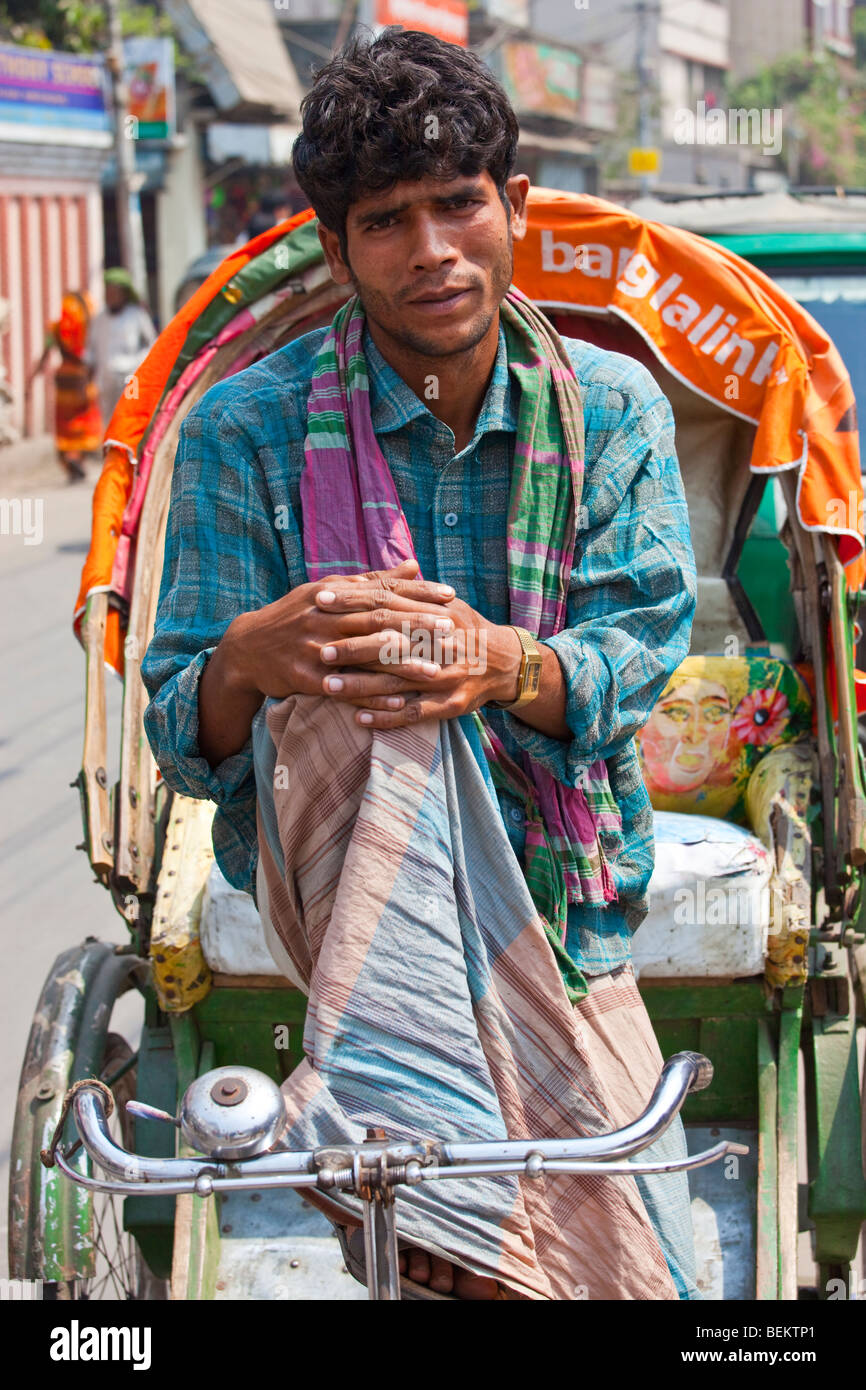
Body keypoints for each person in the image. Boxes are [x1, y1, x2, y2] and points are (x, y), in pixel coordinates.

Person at [142, 29, 698, 1300]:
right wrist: (248, 656)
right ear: (336, 251)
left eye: (458, 205)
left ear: (512, 207)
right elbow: (185, 726)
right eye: (386, 221)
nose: (432, 250)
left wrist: (498, 666)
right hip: (344, 899)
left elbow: (634, 649)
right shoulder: (246, 427)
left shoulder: (609, 411)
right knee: (360, 690)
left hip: (559, 888)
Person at [27, 290, 102, 482]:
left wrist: (32, 378)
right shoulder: (90, 327)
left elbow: (45, 354)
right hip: (82, 377)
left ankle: (71, 458)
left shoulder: (55, 329)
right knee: (83, 420)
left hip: (64, 378)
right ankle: (78, 458)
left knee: (66, 423)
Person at [90, 268, 156, 426]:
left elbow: (152, 344)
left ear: (123, 294)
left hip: (130, 377)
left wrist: (139, 364)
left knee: (130, 416)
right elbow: (91, 349)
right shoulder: (99, 319)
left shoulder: (137, 315)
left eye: (114, 292)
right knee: (108, 419)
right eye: (108, 292)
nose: (110, 296)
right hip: (106, 379)